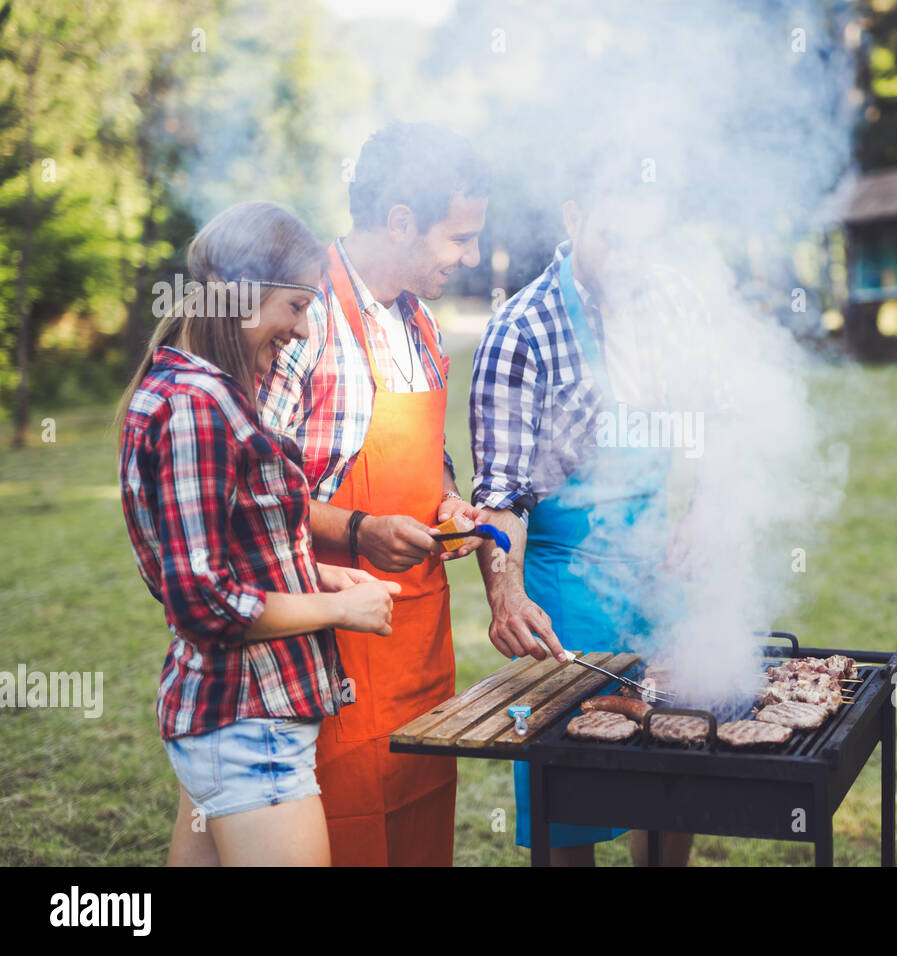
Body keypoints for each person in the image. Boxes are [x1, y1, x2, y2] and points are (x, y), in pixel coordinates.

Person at [117, 201, 400, 866]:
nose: (304, 331)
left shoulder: (196, 388)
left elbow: (219, 553)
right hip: (248, 726)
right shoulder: (199, 408)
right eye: (297, 307)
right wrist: (339, 608)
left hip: (225, 722)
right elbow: (204, 601)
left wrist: (318, 572)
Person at [258, 122, 489, 866]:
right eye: (459, 238)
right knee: (349, 826)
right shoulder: (303, 316)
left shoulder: (421, 321)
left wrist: (450, 500)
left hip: (421, 639)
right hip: (331, 638)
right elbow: (249, 490)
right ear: (399, 221)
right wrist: (357, 531)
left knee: (422, 819)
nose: (472, 258)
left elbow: (432, 454)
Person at [469, 165, 698, 866]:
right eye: (614, 239)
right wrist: (504, 591)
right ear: (574, 217)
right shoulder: (521, 330)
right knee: (570, 803)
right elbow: (502, 494)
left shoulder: (673, 303)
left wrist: (705, 513)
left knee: (670, 776)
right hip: (566, 592)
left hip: (659, 573)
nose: (630, 262)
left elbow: (721, 415)